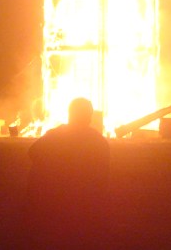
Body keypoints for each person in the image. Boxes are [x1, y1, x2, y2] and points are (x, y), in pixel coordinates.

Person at [25, 98, 110, 249]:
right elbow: (104, 172)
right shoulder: (98, 141)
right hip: (86, 205)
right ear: (89, 117)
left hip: (55, 202)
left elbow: (33, 153)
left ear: (70, 114)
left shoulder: (56, 135)